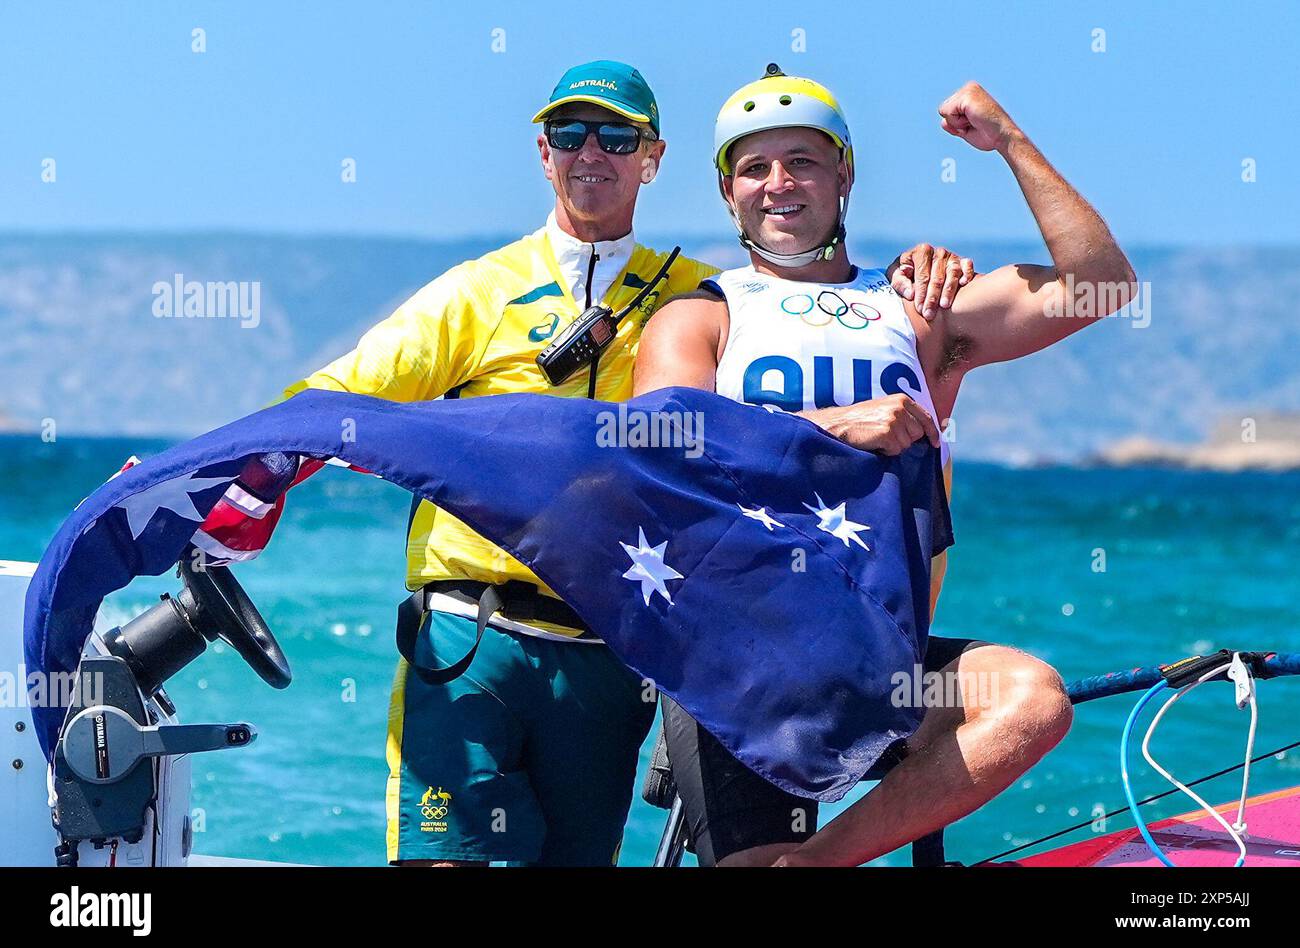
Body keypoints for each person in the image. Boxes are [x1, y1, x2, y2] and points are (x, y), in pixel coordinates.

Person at [212, 60, 972, 866]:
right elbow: (339, 399)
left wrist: (912, 274)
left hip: (612, 655)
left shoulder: (704, 300)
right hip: (473, 643)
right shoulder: (478, 292)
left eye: (617, 136)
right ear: (544, 154)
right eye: (569, 135)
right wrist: (211, 473)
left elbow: (813, 332)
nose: (591, 153)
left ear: (653, 158)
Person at [633, 65, 1137, 867]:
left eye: (802, 160)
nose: (779, 183)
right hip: (740, 669)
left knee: (1032, 701)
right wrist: (832, 426)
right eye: (754, 168)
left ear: (845, 173)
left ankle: (817, 862)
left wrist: (1007, 142)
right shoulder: (701, 315)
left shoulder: (920, 310)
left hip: (887, 670)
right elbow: (655, 453)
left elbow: (1103, 286)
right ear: (728, 193)